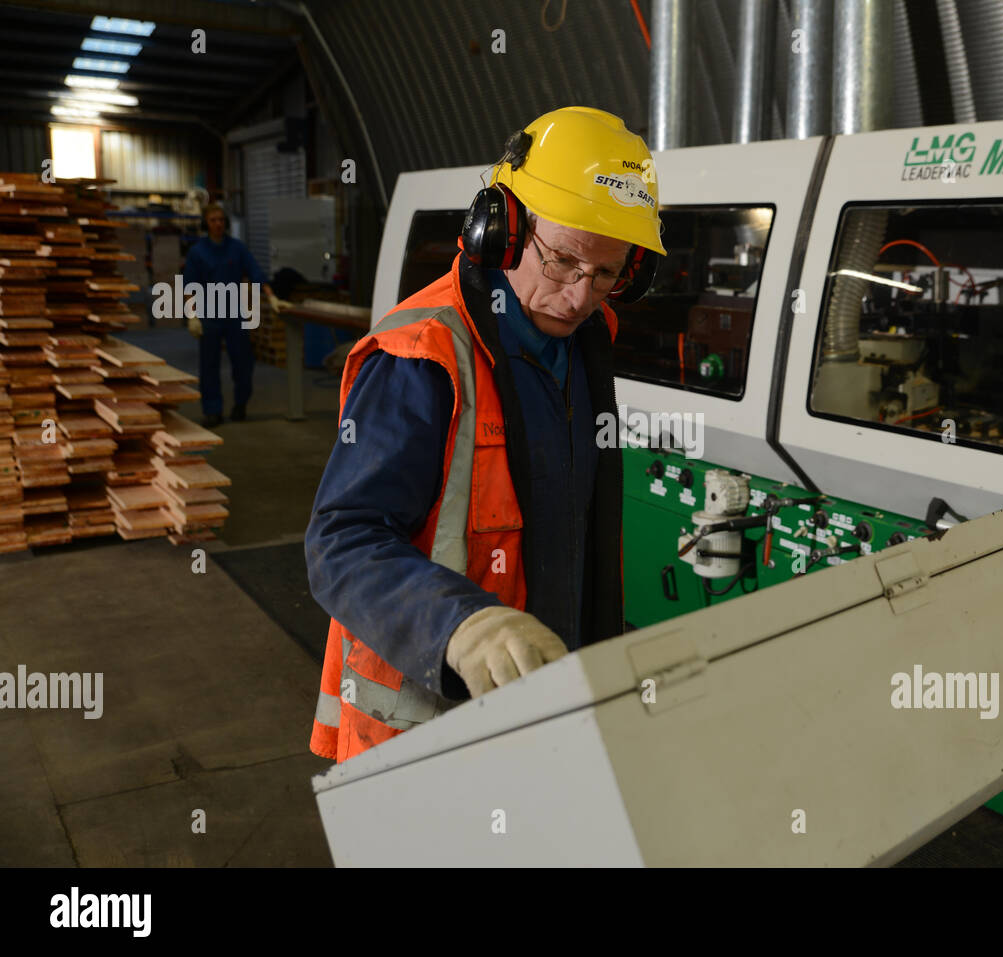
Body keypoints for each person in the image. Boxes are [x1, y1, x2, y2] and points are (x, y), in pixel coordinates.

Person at [305, 107, 665, 762]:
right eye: (562, 262)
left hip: (539, 709)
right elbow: (340, 541)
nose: (581, 296)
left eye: (608, 274)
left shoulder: (588, 345)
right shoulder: (423, 355)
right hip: (424, 729)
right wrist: (462, 626)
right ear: (500, 228)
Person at [183, 203, 286, 427]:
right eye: (213, 220)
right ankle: (213, 410)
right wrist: (192, 315)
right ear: (206, 223)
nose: (218, 224)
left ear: (226, 223)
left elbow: (255, 272)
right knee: (209, 365)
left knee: (243, 363)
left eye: (221, 219)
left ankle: (241, 403)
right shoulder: (197, 252)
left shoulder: (237, 248)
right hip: (208, 314)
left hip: (234, 314)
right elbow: (189, 286)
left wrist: (271, 296)